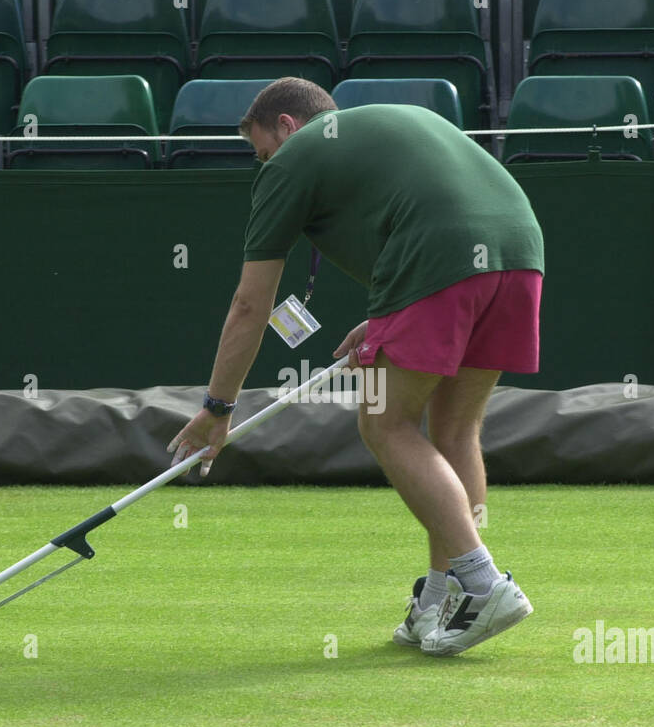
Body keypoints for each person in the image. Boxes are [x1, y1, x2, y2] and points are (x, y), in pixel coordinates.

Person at [167, 77, 544, 656]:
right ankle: (441, 600)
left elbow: (250, 304)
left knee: (382, 422)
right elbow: (439, 208)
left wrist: (218, 408)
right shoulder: (372, 134)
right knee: (452, 431)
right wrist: (387, 318)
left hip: (438, 261)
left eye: (261, 150)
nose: (262, 166)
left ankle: (483, 583)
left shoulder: (293, 161)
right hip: (520, 253)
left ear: (288, 127)